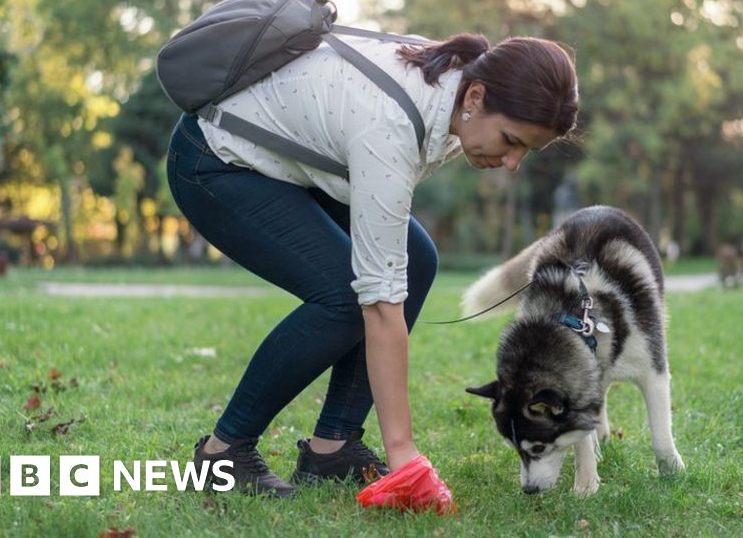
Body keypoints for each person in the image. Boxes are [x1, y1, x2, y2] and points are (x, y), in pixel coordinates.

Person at [167, 30, 579, 497]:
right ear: (476, 97)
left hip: (290, 165)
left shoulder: (454, 93)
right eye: (511, 140)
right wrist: (403, 453)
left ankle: (332, 448)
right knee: (344, 296)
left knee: (415, 261)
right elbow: (380, 304)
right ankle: (222, 454)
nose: (512, 162)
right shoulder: (391, 125)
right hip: (216, 161)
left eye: (525, 150)